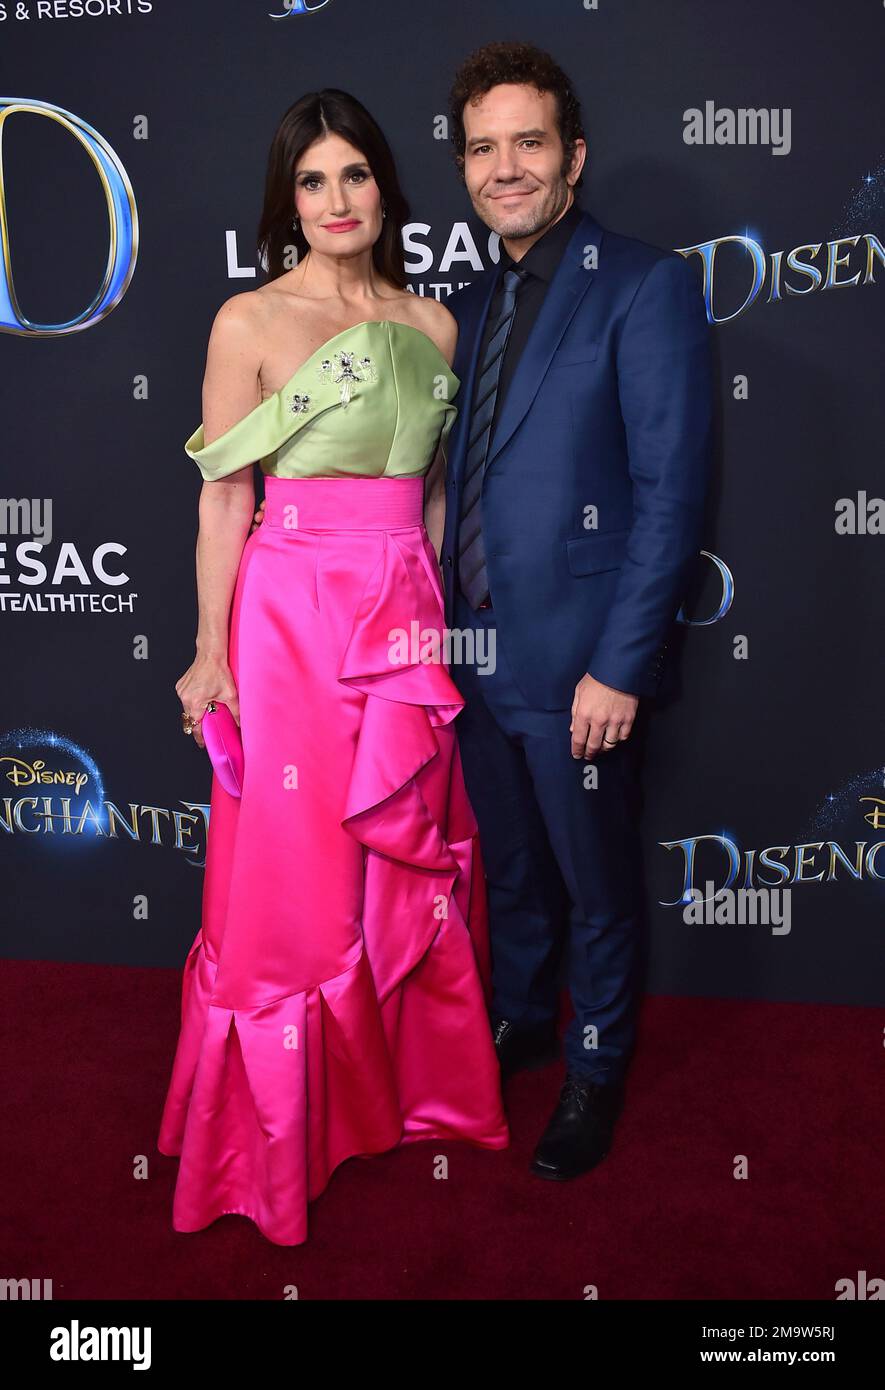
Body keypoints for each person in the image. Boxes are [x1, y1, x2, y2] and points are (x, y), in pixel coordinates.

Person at [158, 88, 508, 1248]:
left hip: (402, 612)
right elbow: (223, 497)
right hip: (292, 614)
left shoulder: (435, 324)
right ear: (287, 202)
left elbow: (438, 489)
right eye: (312, 181)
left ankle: (403, 1091)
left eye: (354, 174)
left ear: (384, 187)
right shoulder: (249, 321)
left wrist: (437, 602)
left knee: (401, 840)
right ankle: (276, 1130)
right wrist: (213, 647)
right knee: (297, 869)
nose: (336, 200)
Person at [438, 42, 713, 1180]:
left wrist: (620, 665)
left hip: (581, 665)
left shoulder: (643, 284)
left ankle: (595, 1065)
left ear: (573, 154)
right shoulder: (469, 299)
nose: (506, 168)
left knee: (597, 879)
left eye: (529, 143)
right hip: (475, 655)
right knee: (511, 865)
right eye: (483, 147)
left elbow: (671, 492)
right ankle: (524, 1018)